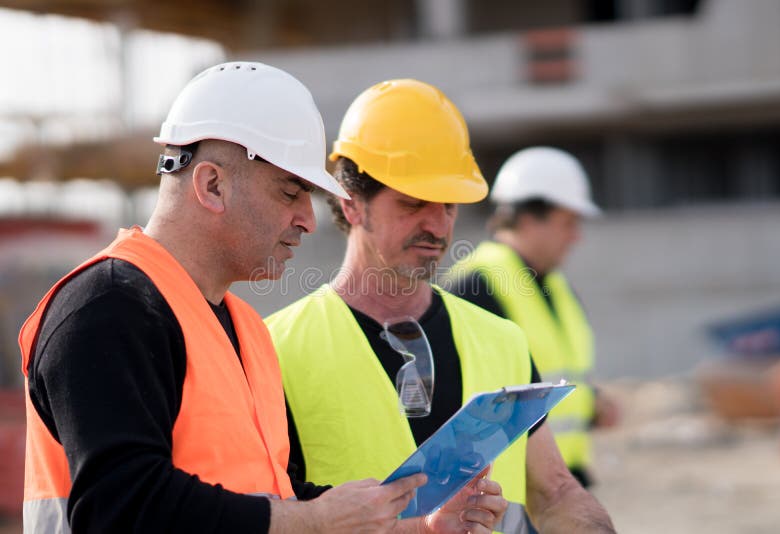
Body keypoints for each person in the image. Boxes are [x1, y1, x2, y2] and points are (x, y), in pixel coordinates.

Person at [19, 62, 507, 534]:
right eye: (290, 192)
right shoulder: (106, 309)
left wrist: (414, 528)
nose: (309, 220)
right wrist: (317, 523)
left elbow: (274, 501)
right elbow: (122, 509)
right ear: (212, 184)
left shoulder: (246, 328)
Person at [266, 79, 615, 533]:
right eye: (412, 204)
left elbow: (555, 492)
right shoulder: (276, 349)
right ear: (351, 203)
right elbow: (275, 517)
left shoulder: (501, 339)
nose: (436, 225)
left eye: (448, 205)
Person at [448, 147, 619, 488]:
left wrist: (591, 400)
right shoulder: (475, 286)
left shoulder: (552, 283)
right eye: (568, 222)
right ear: (527, 218)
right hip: (512, 490)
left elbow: (548, 371)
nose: (576, 236)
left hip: (562, 480)